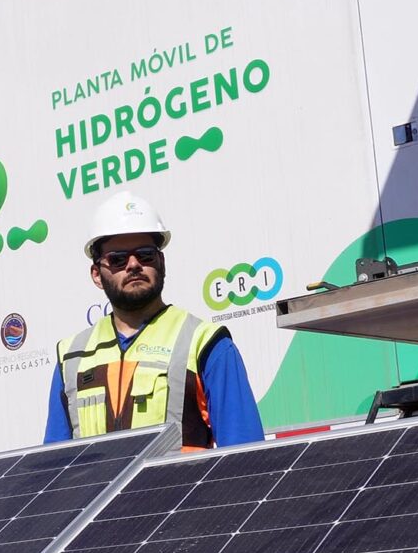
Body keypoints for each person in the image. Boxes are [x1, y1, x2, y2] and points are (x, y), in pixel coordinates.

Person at [44, 191, 265, 450]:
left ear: (161, 262)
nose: (134, 264)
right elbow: (55, 465)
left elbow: (247, 455)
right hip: (101, 494)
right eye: (118, 259)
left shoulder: (206, 343)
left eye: (146, 255)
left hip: (185, 492)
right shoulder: (70, 357)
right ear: (96, 274)